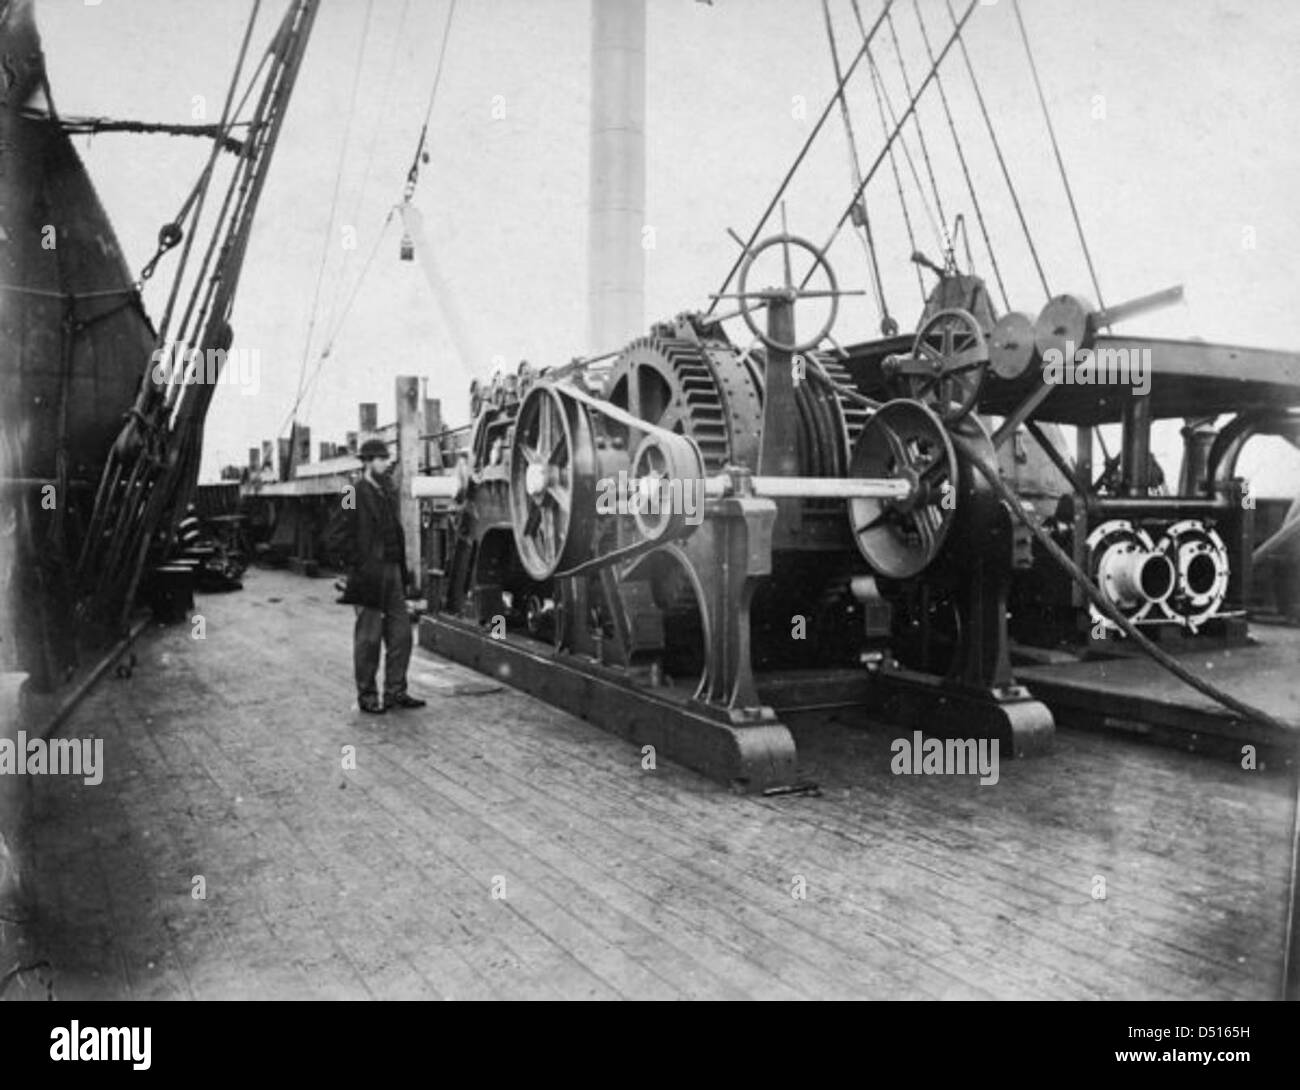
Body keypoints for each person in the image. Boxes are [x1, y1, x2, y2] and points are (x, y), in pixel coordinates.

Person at [328, 439, 426, 714]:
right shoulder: (352, 491)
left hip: (393, 572)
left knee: (402, 635)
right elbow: (336, 535)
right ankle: (367, 697)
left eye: (386, 459)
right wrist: (356, 565)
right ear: (368, 462)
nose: (386, 463)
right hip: (369, 575)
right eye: (381, 459)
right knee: (369, 639)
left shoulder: (386, 491)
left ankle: (396, 692)